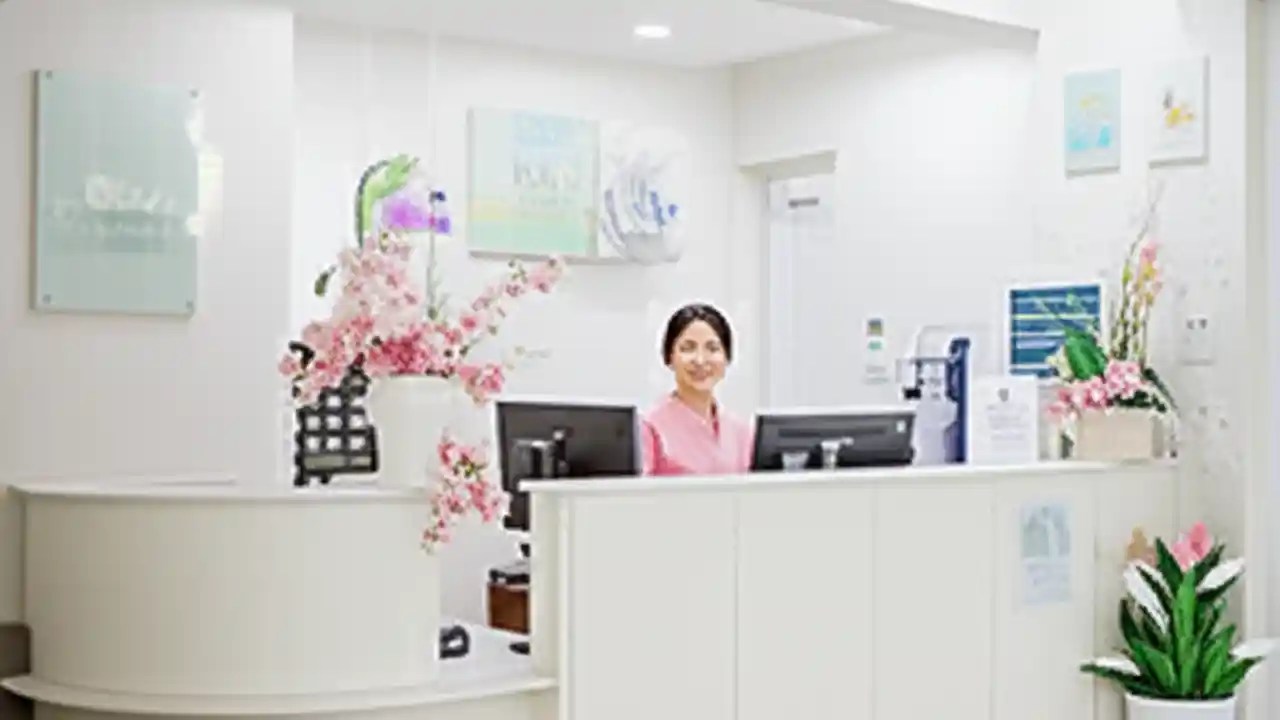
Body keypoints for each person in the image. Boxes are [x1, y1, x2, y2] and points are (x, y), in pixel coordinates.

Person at [641, 303, 753, 476]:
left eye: (712, 349)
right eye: (688, 348)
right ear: (669, 357)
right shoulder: (649, 427)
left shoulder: (741, 432)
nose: (700, 360)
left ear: (727, 357)